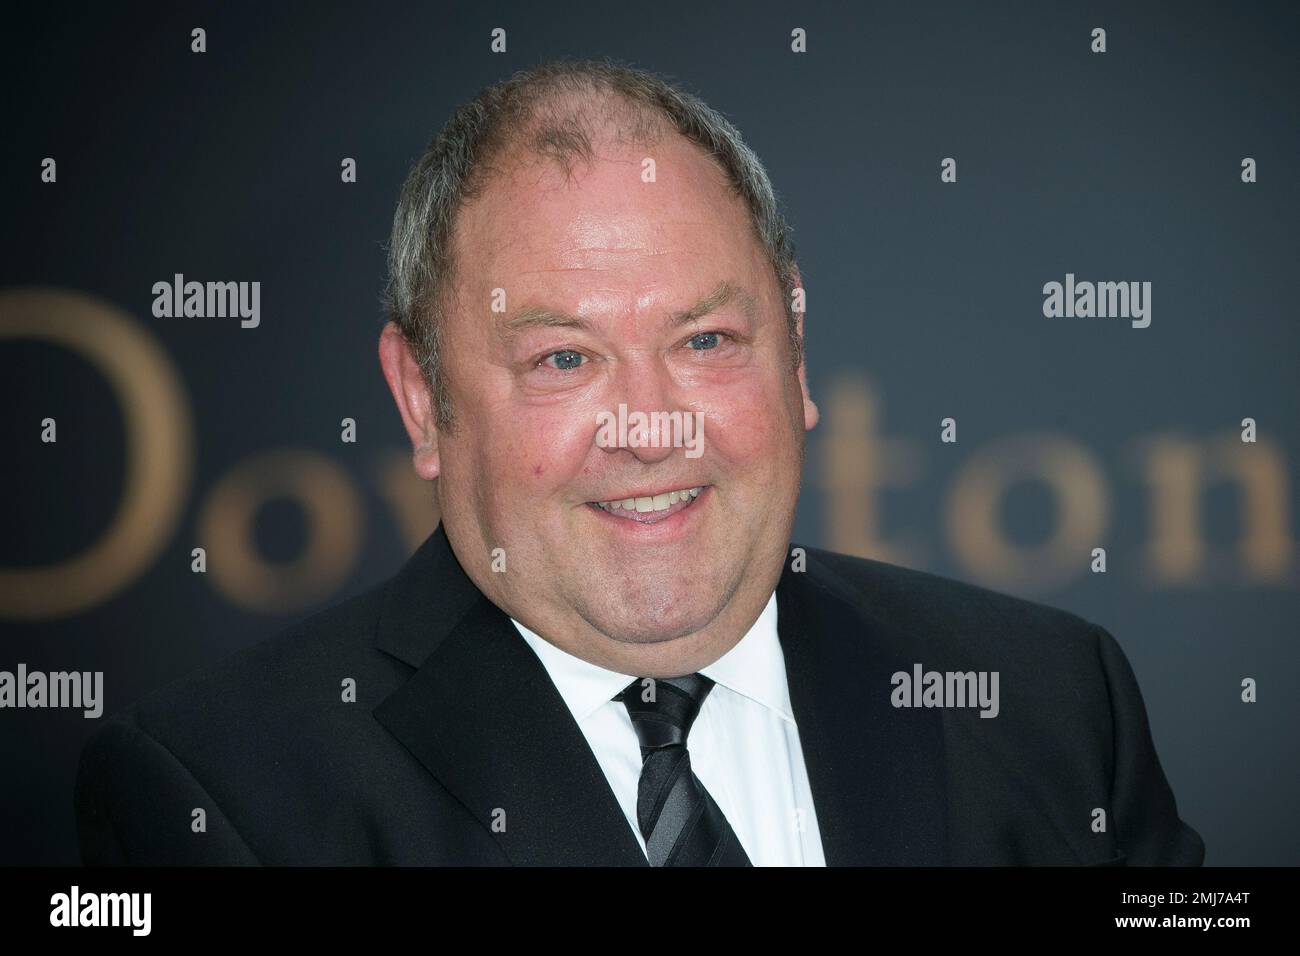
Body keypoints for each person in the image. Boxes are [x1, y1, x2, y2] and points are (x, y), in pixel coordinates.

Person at [75, 58, 1204, 866]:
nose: (652, 425)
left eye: (705, 341)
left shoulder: (1052, 704)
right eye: (565, 357)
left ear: (798, 352)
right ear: (422, 398)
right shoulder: (222, 798)